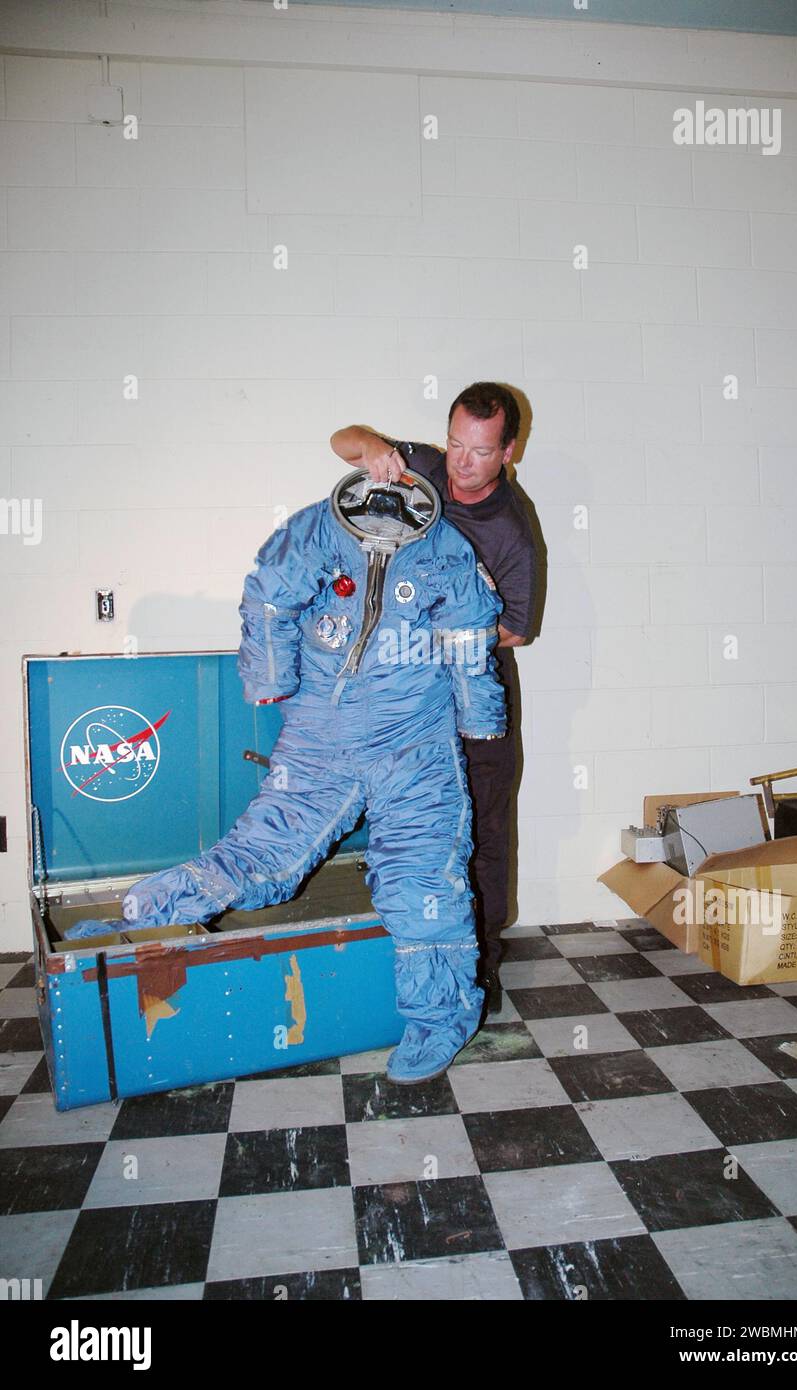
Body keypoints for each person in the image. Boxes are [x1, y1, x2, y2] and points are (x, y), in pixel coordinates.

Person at [65, 469, 506, 1086]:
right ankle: (140, 920)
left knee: (422, 880)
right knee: (261, 856)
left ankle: (442, 1020)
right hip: (322, 738)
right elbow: (269, 595)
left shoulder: (445, 548)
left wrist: (477, 714)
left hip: (416, 746)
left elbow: (468, 637)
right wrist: (270, 678)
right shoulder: (316, 530)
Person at [330, 382, 538, 1013]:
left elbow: (518, 630)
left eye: (478, 452)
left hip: (475, 702)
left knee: (483, 832)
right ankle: (405, 953)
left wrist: (432, 633)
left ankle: (482, 967)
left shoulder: (512, 533)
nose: (460, 464)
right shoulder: (420, 468)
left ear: (508, 453)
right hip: (404, 695)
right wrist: (372, 449)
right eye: (453, 444)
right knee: (403, 824)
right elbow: (342, 443)